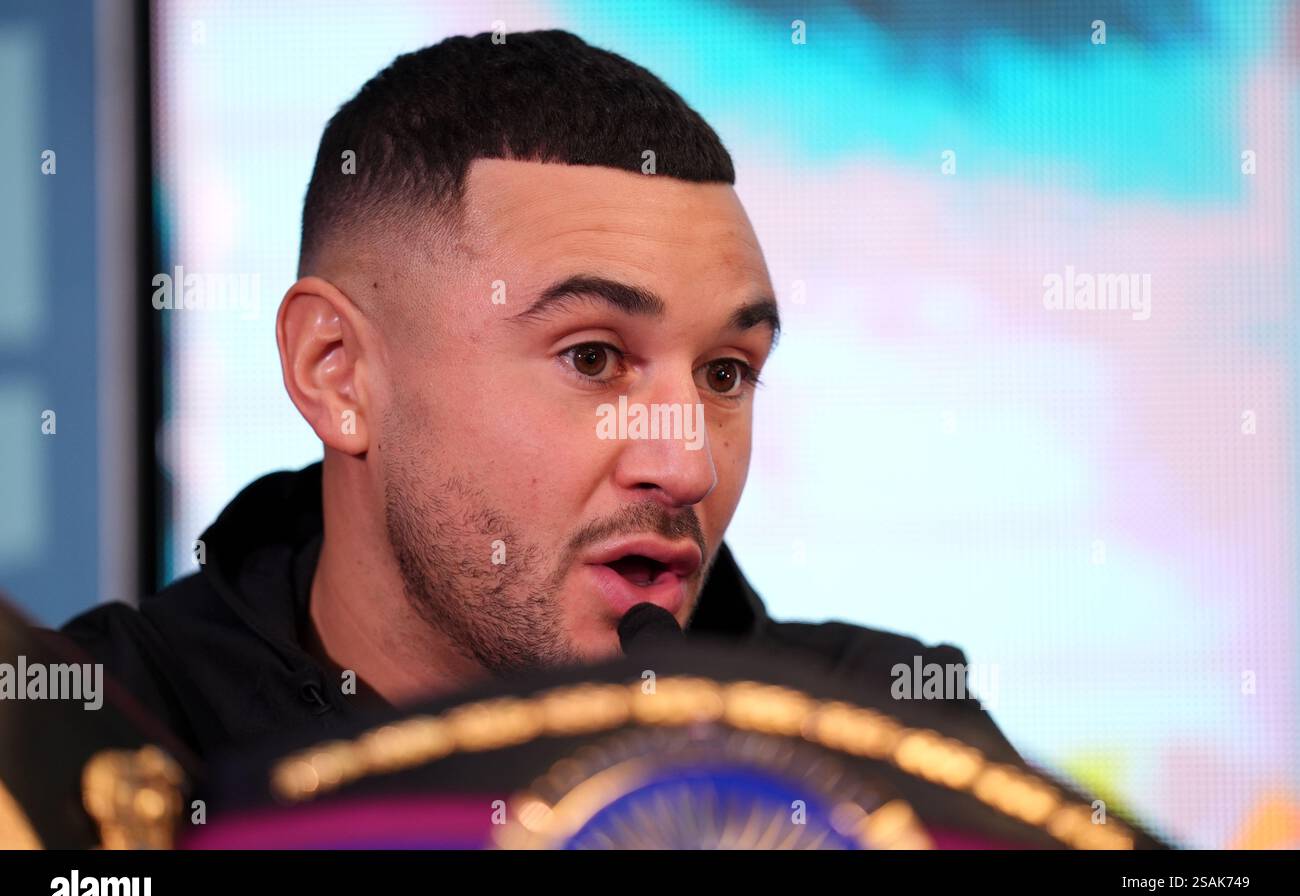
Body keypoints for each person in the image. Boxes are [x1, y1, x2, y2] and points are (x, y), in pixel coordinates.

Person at [62, 29, 1022, 766]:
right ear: (336, 371)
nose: (685, 465)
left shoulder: (888, 743)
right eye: (596, 360)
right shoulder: (90, 740)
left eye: (725, 374)